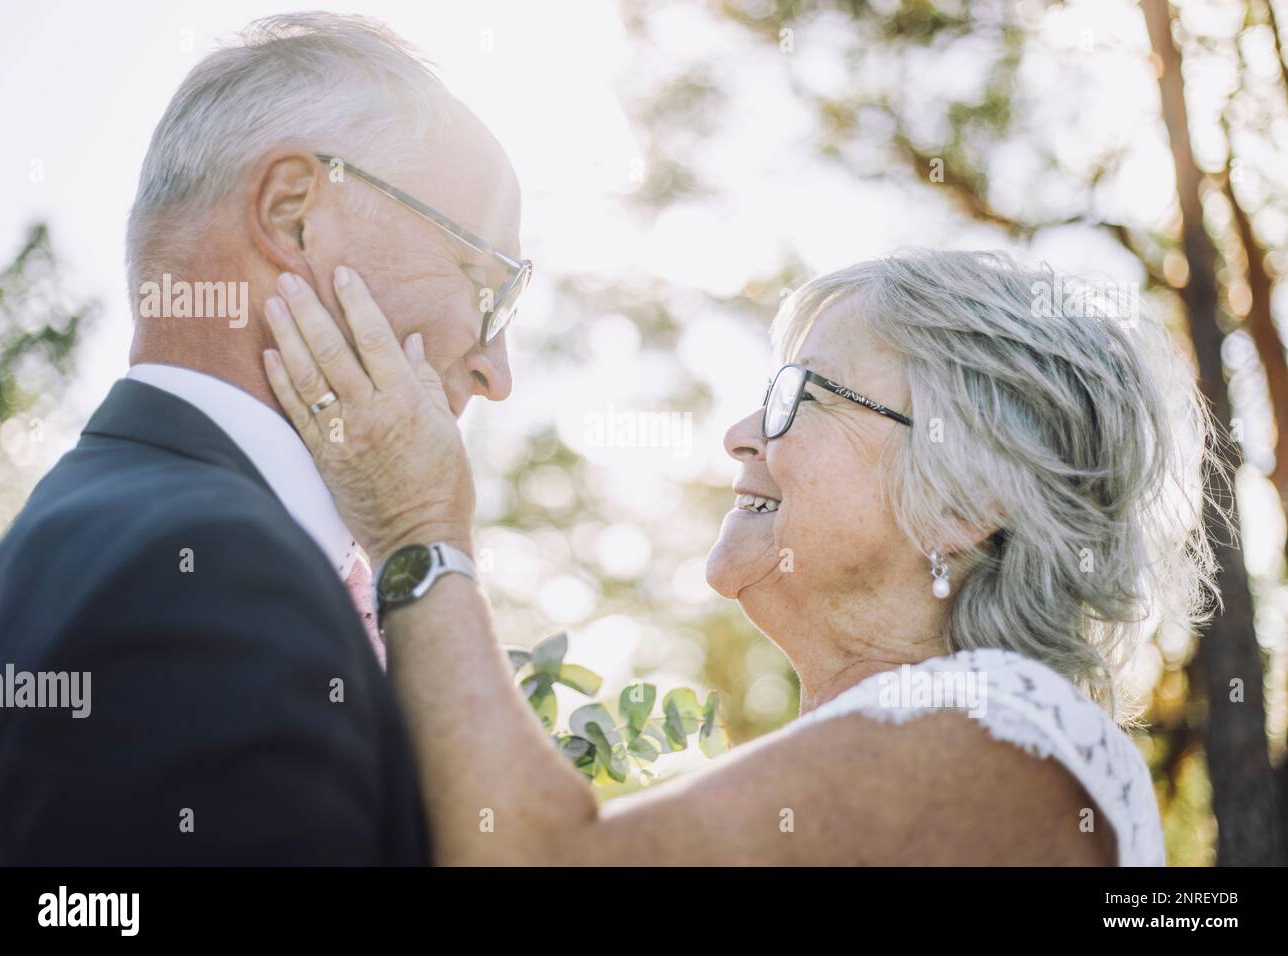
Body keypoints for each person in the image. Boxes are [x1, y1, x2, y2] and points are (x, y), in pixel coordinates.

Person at [261, 248, 1216, 865]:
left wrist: (419, 530)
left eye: (802, 394)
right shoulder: (894, 751)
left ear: (965, 499)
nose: (740, 433)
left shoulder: (1002, 735)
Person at [0, 13, 525, 863]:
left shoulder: (93, 527)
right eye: (484, 283)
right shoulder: (207, 568)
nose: (497, 370)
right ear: (293, 217)